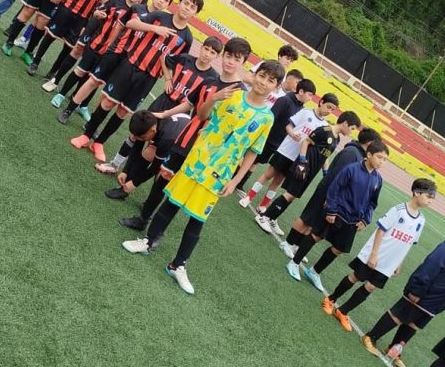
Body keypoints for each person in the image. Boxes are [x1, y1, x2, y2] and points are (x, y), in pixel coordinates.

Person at [121, 59, 284, 296]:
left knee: (197, 221)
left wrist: (235, 181)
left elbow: (252, 151)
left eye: (271, 80)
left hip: (220, 174)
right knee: (170, 205)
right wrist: (213, 98)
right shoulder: (232, 95)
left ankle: (178, 265)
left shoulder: (267, 118)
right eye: (262, 75)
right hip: (196, 160)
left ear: (276, 87)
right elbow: (201, 114)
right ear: (255, 74)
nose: (264, 82)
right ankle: (147, 242)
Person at [118, 38, 252, 234]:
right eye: (229, 56)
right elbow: (189, 104)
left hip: (205, 150)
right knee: (162, 177)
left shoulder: (241, 94)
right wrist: (163, 115)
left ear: (244, 63)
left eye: (237, 58)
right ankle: (143, 219)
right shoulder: (209, 81)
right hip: (185, 139)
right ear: (223, 56)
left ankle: (157, 234)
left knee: (180, 192)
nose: (231, 61)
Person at [70, 0, 202, 163]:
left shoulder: (187, 38)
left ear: (195, 14)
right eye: (186, 3)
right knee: (108, 102)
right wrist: (155, 28)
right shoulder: (159, 16)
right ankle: (86, 135)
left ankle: (100, 142)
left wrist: (169, 78)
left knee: (123, 111)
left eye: (193, 7)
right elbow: (131, 22)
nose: (188, 8)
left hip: (148, 78)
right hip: (130, 65)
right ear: (179, 3)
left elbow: (176, 61)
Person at [321, 179, 437, 358]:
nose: (431, 200)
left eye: (433, 198)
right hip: (375, 255)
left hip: (389, 264)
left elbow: (409, 243)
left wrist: (399, 262)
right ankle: (330, 299)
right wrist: (374, 254)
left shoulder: (421, 220)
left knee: (370, 287)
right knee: (356, 277)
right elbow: (381, 230)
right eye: (429, 196)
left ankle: (343, 311)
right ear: (416, 192)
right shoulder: (398, 210)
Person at [360, 223, 445, 360]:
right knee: (399, 315)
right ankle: (371, 336)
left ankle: (393, 348)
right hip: (423, 295)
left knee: (414, 324)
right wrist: (417, 290)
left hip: (435, 303)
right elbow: (429, 268)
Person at [95, 36, 223, 176]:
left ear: (217, 56)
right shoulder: (184, 59)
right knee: (138, 134)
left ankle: (130, 176)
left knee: (155, 147)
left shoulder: (213, 78)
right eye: (206, 49)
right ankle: (115, 165)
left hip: (180, 113)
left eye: (212, 52)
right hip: (162, 102)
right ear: (201, 47)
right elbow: (163, 58)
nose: (207, 54)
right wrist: (168, 78)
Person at [56, 0, 175, 125]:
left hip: (130, 62)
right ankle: (68, 110)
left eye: (166, 0)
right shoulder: (138, 8)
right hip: (116, 52)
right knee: (93, 81)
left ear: (168, 5)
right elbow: (120, 26)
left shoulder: (164, 23)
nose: (161, 1)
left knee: (108, 94)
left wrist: (168, 77)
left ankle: (92, 123)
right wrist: (110, 47)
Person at [286, 141, 388, 284]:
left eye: (384, 159)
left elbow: (372, 203)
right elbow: (335, 189)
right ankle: (294, 263)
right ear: (369, 154)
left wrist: (366, 219)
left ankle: (314, 271)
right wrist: (331, 211)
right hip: (336, 213)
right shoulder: (352, 169)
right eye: (379, 157)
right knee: (315, 236)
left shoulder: (378, 180)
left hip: (352, 220)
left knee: (339, 249)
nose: (381, 162)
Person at [242, 92, 341, 235]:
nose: (329, 111)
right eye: (328, 106)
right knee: (268, 174)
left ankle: (263, 205)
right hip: (286, 150)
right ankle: (248, 197)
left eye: (332, 110)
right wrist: (291, 133)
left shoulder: (325, 125)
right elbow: (288, 126)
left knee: (278, 181)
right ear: (321, 102)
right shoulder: (306, 112)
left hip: (298, 158)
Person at [278, 126, 381, 260]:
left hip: (334, 196)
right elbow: (337, 175)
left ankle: (297, 245)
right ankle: (288, 242)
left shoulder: (359, 154)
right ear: (369, 142)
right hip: (328, 191)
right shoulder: (352, 152)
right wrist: (330, 197)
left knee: (313, 223)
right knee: (307, 217)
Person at [253, 111, 361, 236]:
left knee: (294, 195)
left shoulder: (337, 138)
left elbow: (326, 155)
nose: (351, 132)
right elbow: (306, 142)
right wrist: (302, 162)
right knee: (290, 194)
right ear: (345, 123)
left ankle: (272, 218)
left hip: (313, 170)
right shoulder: (324, 130)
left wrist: (326, 173)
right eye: (352, 128)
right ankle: (265, 217)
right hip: (303, 167)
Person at [237, 74, 315, 206]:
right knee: (249, 159)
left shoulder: (301, 108)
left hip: (278, 143)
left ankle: (240, 184)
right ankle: (233, 179)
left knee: (257, 162)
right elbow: (270, 118)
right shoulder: (284, 100)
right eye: (310, 94)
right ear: (301, 91)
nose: (310, 98)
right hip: (267, 138)